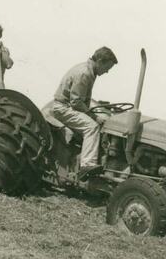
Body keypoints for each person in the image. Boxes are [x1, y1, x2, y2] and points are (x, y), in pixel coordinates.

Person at [44, 47, 118, 177]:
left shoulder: (89, 71)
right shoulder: (84, 73)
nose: (107, 72)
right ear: (100, 61)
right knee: (92, 127)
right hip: (63, 108)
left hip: (68, 107)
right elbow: (76, 102)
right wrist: (94, 117)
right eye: (107, 67)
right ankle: (87, 165)